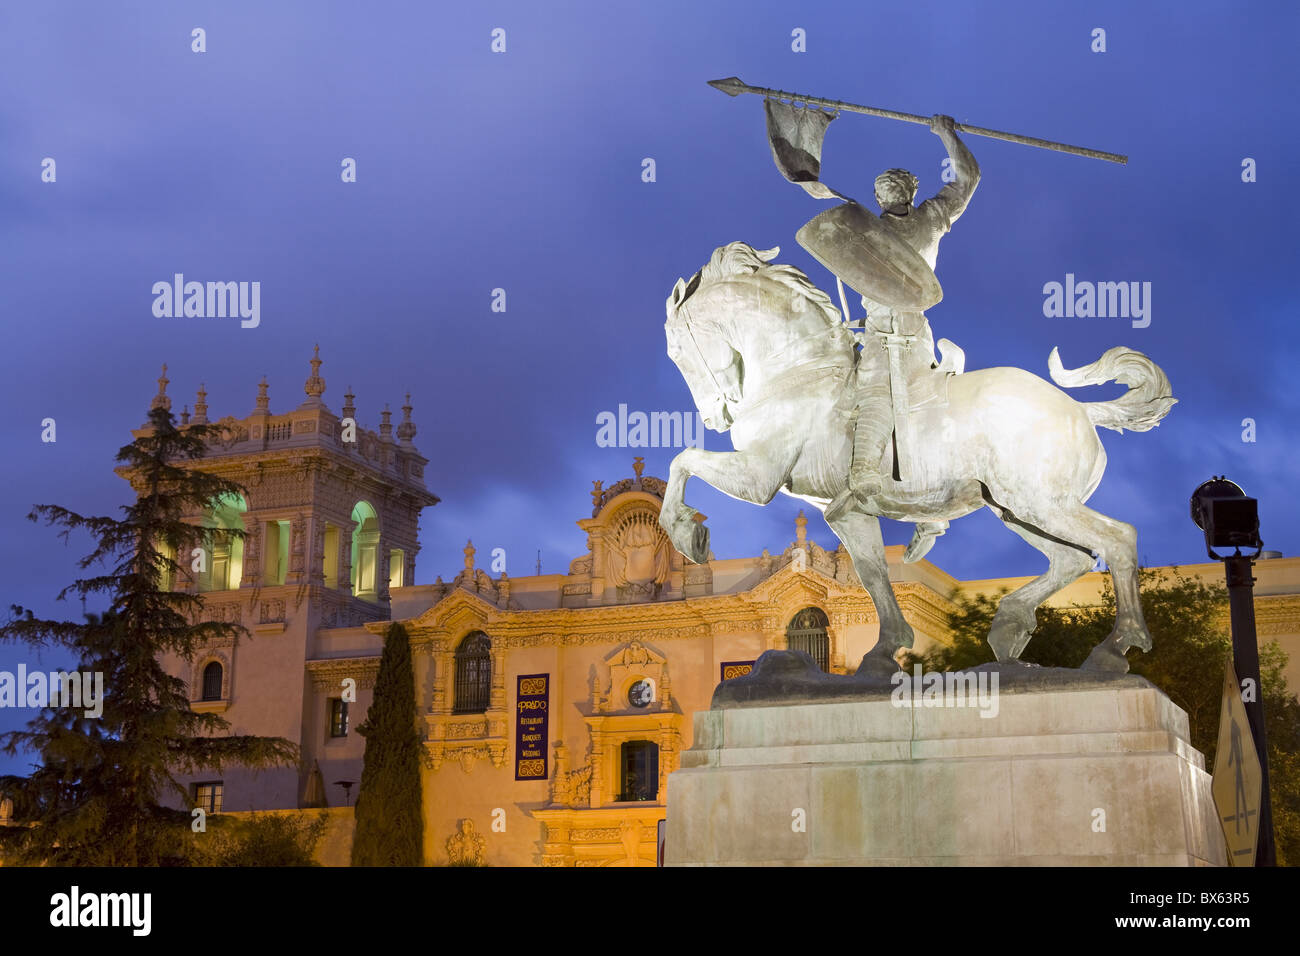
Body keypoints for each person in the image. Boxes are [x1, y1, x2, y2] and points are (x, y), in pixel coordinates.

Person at [826, 113, 980, 522]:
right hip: (879, 330)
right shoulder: (867, 236)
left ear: (909, 191)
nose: (887, 190)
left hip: (906, 333)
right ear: (878, 198)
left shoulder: (929, 218)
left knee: (875, 390)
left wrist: (948, 134)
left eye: (893, 184)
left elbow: (968, 178)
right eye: (882, 187)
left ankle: (862, 474)